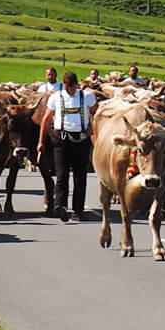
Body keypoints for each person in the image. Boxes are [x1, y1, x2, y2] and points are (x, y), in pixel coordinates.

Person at [37, 70, 97, 222]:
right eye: (67, 87)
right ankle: (60, 206)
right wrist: (41, 141)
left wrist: (91, 130)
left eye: (72, 87)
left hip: (81, 140)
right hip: (61, 140)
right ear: (63, 85)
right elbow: (46, 119)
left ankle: (78, 210)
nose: (70, 90)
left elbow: (96, 114)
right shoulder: (55, 97)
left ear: (77, 84)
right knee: (61, 174)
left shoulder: (87, 96)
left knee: (80, 176)